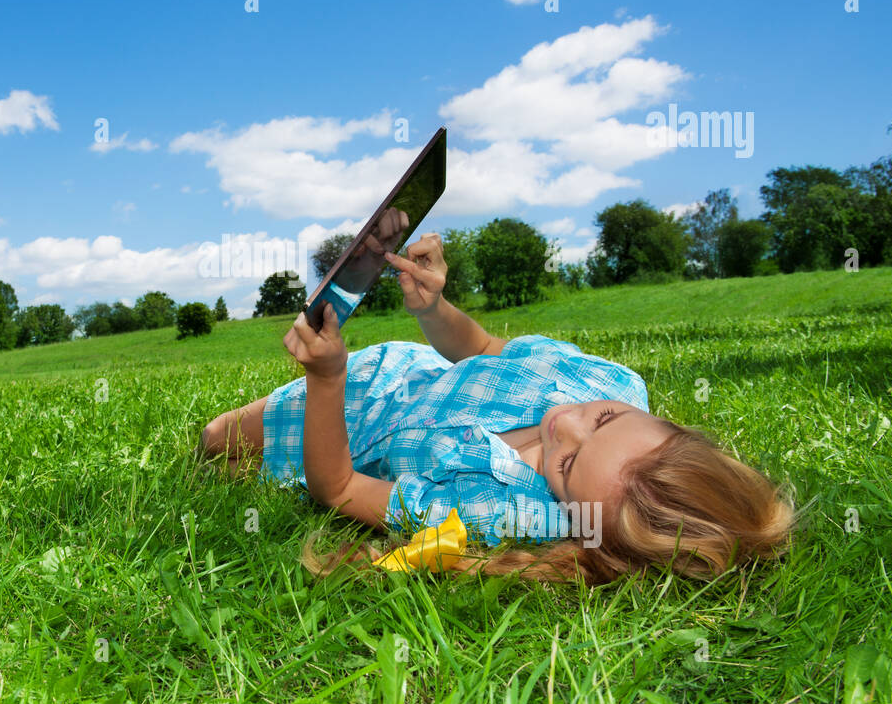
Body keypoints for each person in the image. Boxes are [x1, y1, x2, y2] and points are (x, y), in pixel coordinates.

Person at [200, 233, 796, 584]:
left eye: (566, 466)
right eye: (603, 419)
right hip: (398, 370)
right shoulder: (603, 379)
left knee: (214, 440)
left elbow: (337, 488)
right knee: (217, 442)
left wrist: (326, 379)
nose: (565, 426)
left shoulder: (505, 510)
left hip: (343, 428)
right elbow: (482, 348)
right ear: (662, 420)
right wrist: (434, 308)